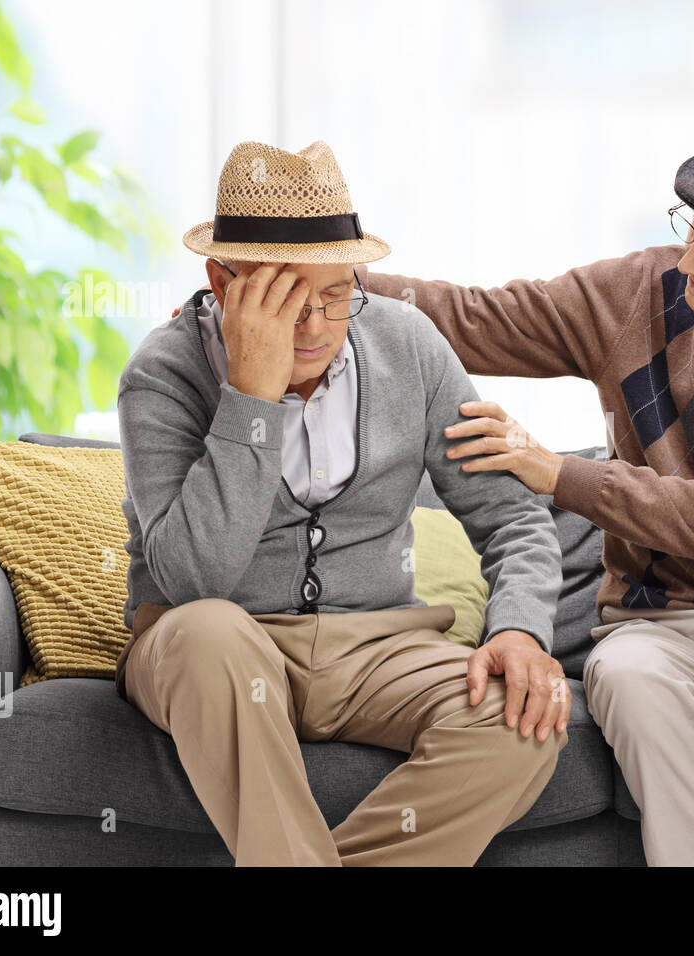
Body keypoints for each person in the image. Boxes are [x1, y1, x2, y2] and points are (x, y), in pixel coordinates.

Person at [356, 126, 694, 866]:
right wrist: (330, 286)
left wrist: (559, 473)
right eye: (693, 233)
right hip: (658, 622)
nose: (690, 262)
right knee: (623, 674)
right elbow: (475, 318)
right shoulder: (639, 292)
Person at [115, 140, 568, 866]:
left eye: (337, 295)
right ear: (222, 282)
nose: (317, 326)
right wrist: (251, 399)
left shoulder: (410, 346)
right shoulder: (162, 374)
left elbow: (511, 516)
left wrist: (520, 629)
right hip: (214, 652)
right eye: (288, 298)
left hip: (377, 648)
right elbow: (193, 581)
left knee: (520, 724)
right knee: (210, 632)